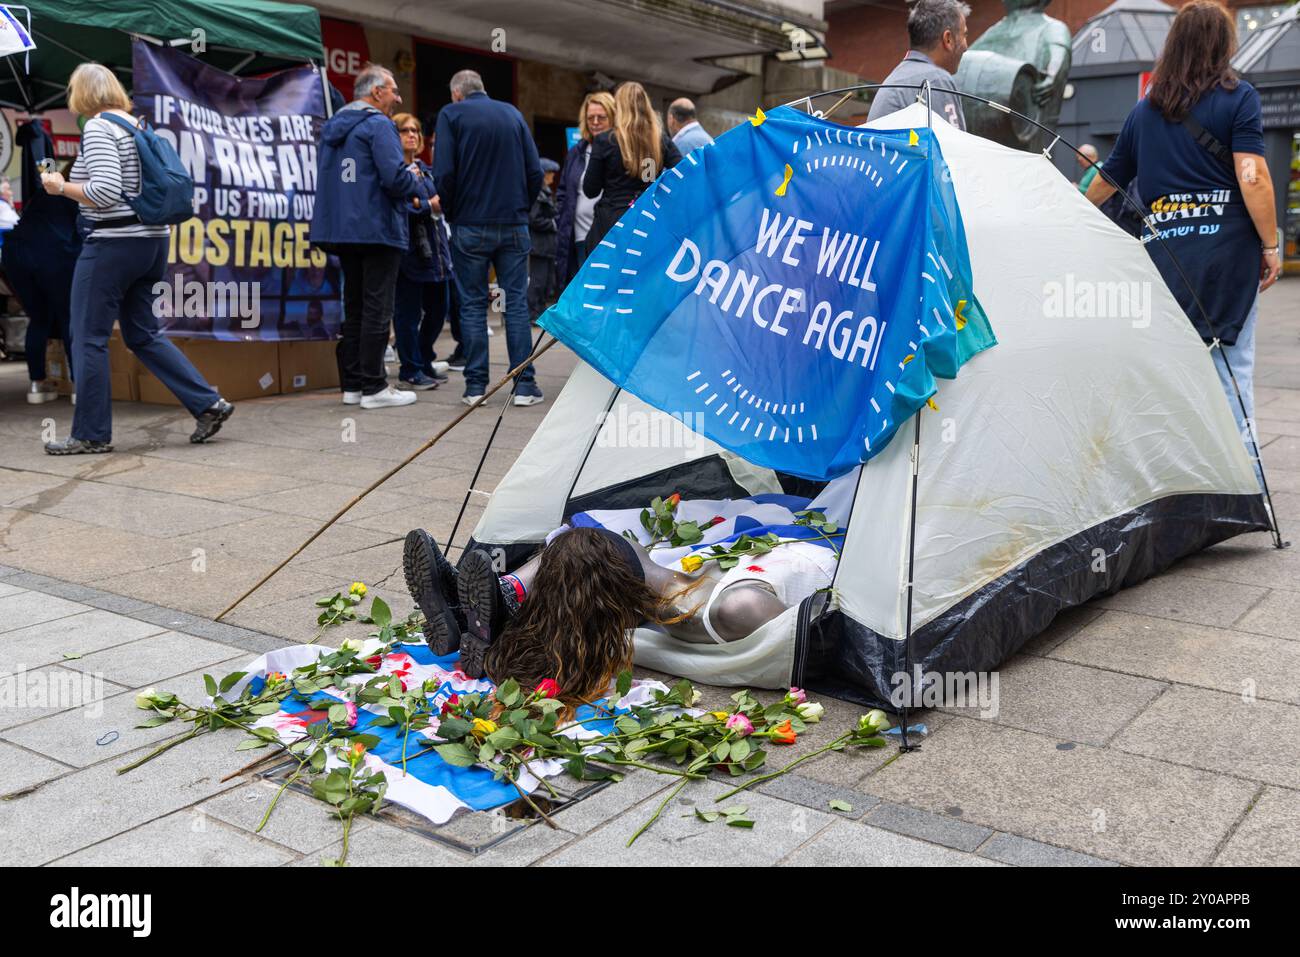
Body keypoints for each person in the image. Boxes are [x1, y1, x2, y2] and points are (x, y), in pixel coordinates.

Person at [1085, 0, 1281, 489]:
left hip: (1165, 259)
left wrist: (1071, 224)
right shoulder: (1240, 98)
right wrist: (1271, 244)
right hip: (1225, 259)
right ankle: (1241, 485)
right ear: (1223, 45)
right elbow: (1252, 177)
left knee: (1170, 368)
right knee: (1230, 366)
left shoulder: (1145, 111)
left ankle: (1175, 480)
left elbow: (1104, 184)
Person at [38, 64, 232, 455]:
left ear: (83, 94)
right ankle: (208, 403)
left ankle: (91, 434)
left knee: (88, 338)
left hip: (113, 245)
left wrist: (60, 187)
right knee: (143, 333)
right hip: (153, 244)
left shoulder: (97, 127)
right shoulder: (137, 126)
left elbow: (106, 191)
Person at [403, 527, 836, 693]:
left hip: (753, 570)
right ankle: (487, 601)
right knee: (572, 540)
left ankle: (498, 600)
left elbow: (813, 646)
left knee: (570, 539)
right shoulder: (730, 605)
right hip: (757, 567)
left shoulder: (732, 603)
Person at [311, 64, 422, 410]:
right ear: (376, 93)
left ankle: (354, 385)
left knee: (355, 305)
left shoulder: (334, 129)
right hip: (377, 229)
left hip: (344, 231)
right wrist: (413, 177)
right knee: (377, 306)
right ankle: (375, 387)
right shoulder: (378, 125)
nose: (397, 98)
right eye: (393, 91)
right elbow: (393, 179)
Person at [433, 69, 544, 408]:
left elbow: (444, 174)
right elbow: (535, 171)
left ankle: (475, 388)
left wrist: (452, 211)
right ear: (482, 89)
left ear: (456, 94)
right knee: (515, 306)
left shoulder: (451, 114)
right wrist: (521, 207)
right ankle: (524, 386)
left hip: (470, 225)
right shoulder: (512, 113)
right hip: (513, 224)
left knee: (471, 305)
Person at [582, 82, 682, 254]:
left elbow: (590, 189)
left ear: (618, 108)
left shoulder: (606, 141)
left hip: (611, 224)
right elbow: (683, 172)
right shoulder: (660, 141)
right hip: (647, 223)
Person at [391, 112, 453, 391]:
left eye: (415, 130)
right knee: (407, 314)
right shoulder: (393, 172)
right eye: (405, 131)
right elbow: (404, 206)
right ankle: (410, 368)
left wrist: (422, 202)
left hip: (438, 252)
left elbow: (442, 200)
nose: (412, 135)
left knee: (440, 309)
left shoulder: (426, 169)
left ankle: (424, 358)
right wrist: (427, 205)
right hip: (410, 253)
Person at [866, 0, 969, 130]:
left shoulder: (894, 80)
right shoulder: (937, 80)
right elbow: (956, 147)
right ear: (947, 39)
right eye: (964, 35)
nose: (966, 46)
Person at [555, 91, 615, 290]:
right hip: (580, 236)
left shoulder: (621, 149)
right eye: (591, 118)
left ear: (613, 117)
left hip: (610, 235)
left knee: (606, 291)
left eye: (601, 117)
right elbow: (563, 192)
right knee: (585, 292)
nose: (595, 122)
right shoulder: (577, 152)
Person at [528, 158, 560, 324]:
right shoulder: (538, 194)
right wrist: (553, 223)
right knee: (538, 281)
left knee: (546, 281)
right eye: (550, 174)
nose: (553, 177)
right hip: (540, 245)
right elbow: (533, 219)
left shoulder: (545, 192)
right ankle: (533, 312)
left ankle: (539, 311)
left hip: (546, 245)